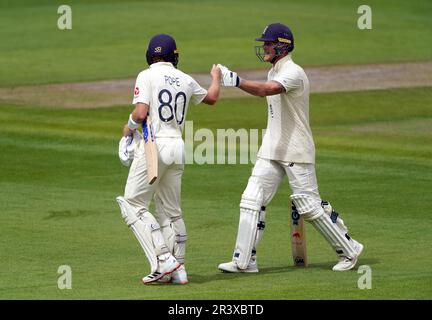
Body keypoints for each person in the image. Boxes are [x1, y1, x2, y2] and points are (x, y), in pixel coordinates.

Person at [217, 23, 363, 273]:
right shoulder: (274, 70)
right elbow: (267, 88)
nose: (264, 47)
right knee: (252, 199)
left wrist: (237, 81)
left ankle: (350, 250)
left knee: (309, 206)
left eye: (268, 43)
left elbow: (267, 91)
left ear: (282, 46)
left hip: (297, 148)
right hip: (272, 148)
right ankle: (244, 261)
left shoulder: (293, 72)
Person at [116, 34, 221, 284]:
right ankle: (179, 269)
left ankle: (163, 259)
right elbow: (212, 98)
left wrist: (128, 129)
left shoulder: (146, 74)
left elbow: (141, 112)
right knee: (171, 212)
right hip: (177, 147)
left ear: (150, 55)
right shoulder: (185, 79)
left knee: (132, 204)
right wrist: (216, 78)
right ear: (174, 55)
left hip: (154, 145)